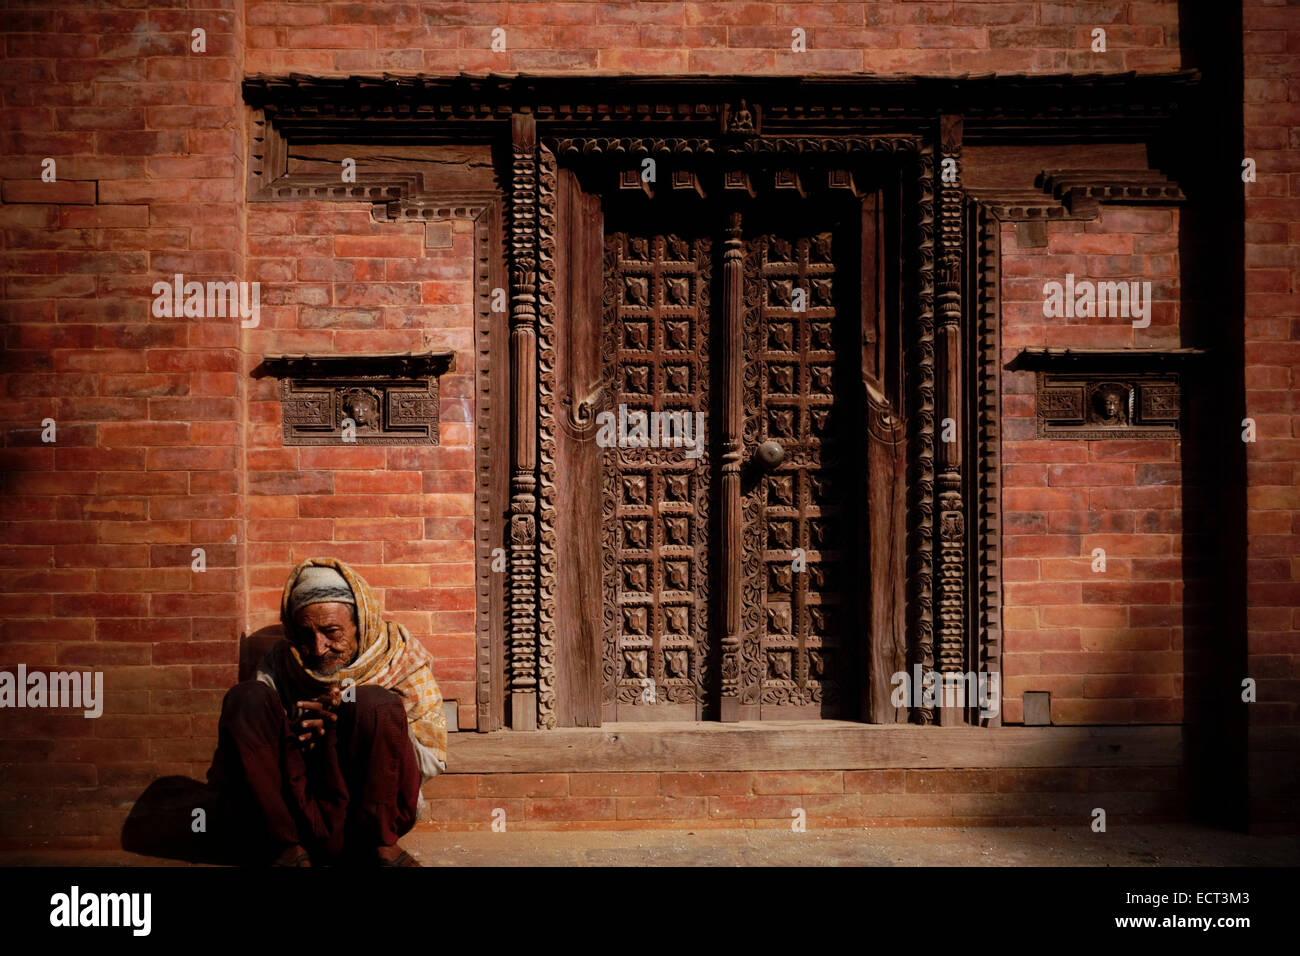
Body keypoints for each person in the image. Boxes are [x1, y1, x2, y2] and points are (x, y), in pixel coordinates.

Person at [208, 558, 447, 866]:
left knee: (374, 703)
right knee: (246, 698)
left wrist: (352, 721)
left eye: (331, 631)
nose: (319, 647)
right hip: (296, 809)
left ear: (362, 623)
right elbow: (255, 746)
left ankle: (382, 846)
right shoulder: (282, 663)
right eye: (306, 635)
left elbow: (430, 760)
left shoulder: (399, 658)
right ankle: (284, 848)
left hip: (367, 810)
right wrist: (300, 728)